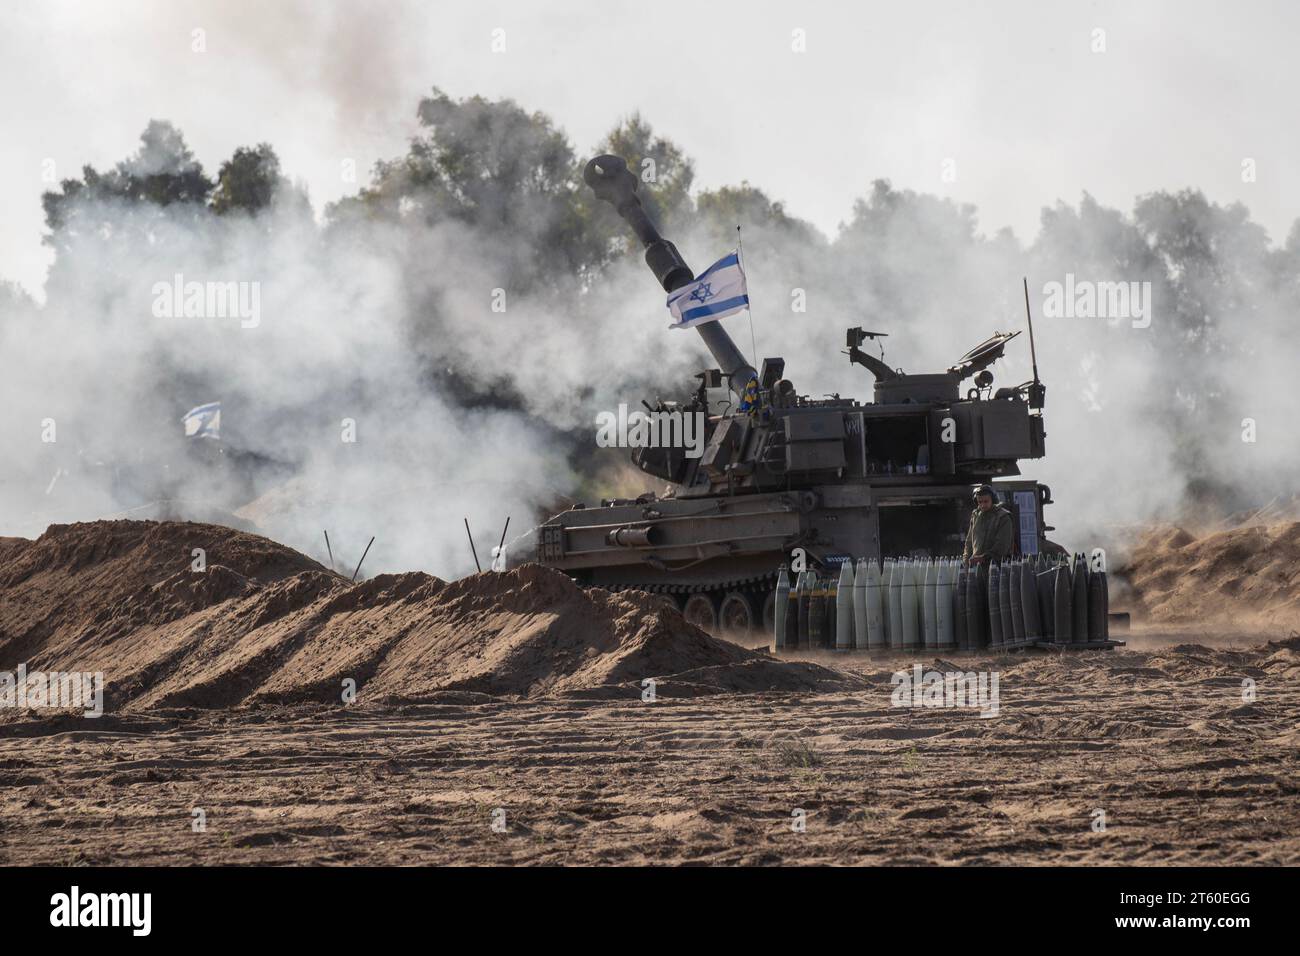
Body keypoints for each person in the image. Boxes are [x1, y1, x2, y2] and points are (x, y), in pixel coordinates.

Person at [963, 484, 1013, 566]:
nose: (982, 505)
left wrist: (983, 558)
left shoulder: (1003, 517)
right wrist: (966, 561)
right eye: (980, 502)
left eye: (986, 501)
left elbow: (1002, 546)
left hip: (997, 566)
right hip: (977, 567)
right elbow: (969, 542)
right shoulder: (976, 516)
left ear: (993, 500)